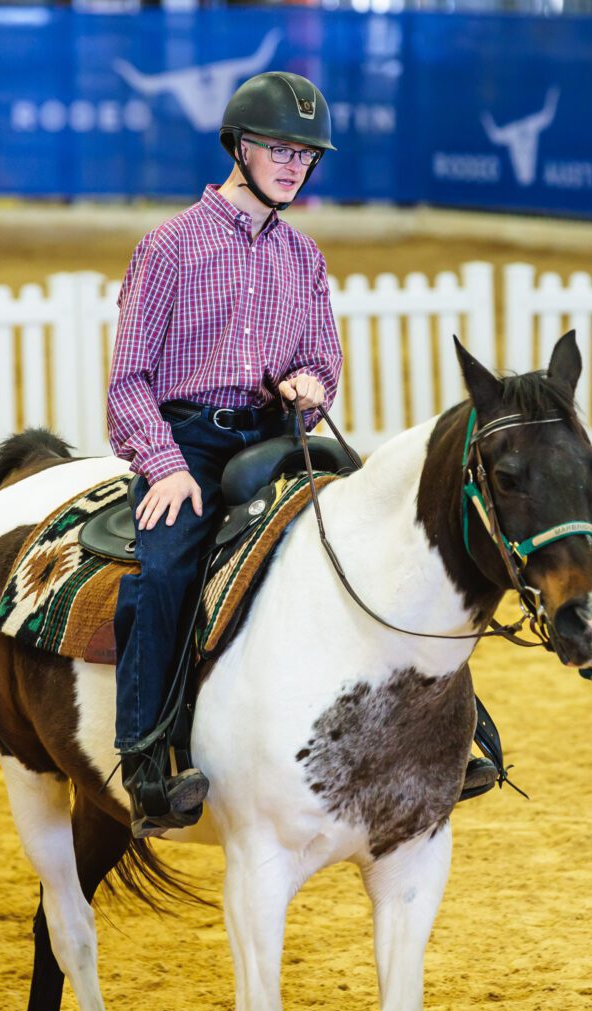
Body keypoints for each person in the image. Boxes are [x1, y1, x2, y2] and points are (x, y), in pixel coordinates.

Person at [108, 71, 343, 838]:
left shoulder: (305, 258)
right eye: (279, 149)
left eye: (305, 155)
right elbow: (129, 379)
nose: (293, 166)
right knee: (167, 566)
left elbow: (324, 359)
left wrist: (313, 385)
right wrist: (164, 463)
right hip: (190, 440)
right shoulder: (169, 247)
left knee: (362, 533)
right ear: (239, 147)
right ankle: (147, 761)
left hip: (275, 438)